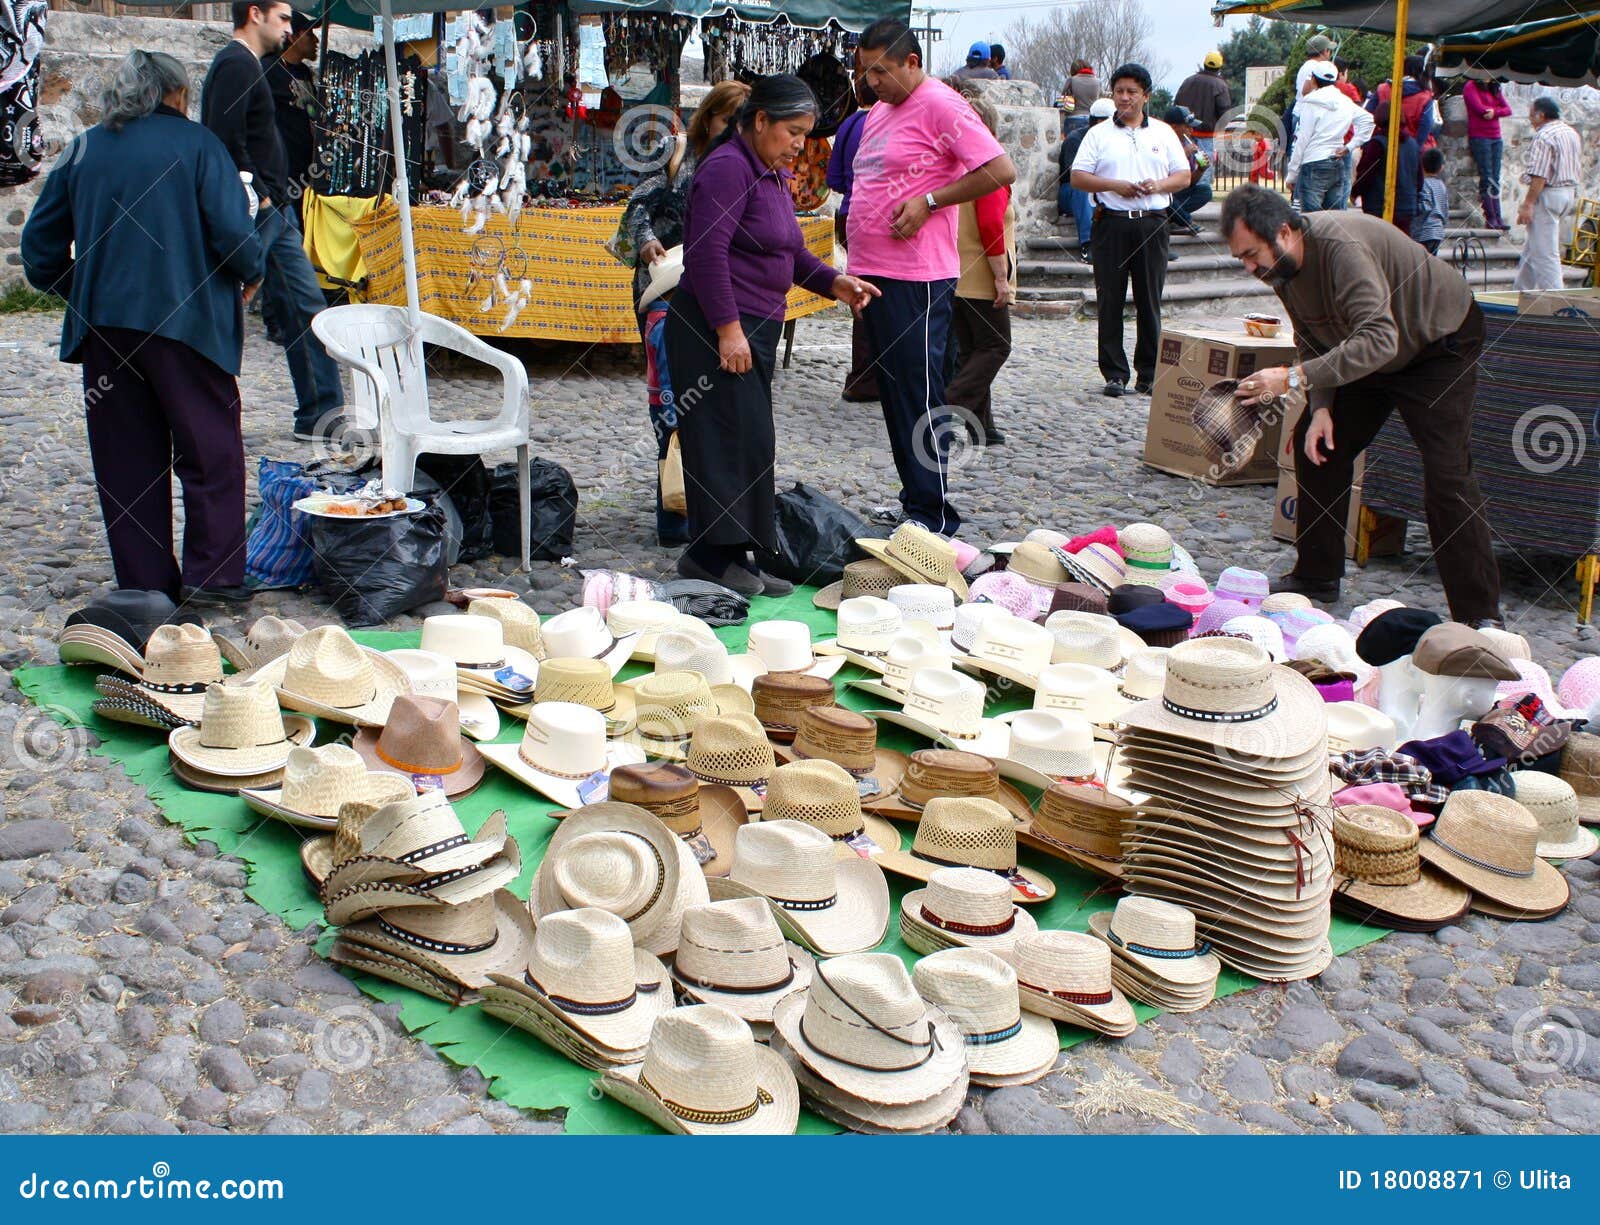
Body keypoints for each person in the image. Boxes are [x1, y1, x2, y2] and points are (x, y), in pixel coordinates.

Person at [21, 51, 263, 607]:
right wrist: (253, 272)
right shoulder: (199, 144)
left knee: (126, 459)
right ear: (177, 95)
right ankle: (213, 579)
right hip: (190, 324)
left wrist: (82, 288)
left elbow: (39, 252)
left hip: (107, 328)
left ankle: (146, 583)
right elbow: (233, 233)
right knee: (211, 454)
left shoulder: (84, 148)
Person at [1223, 186, 1501, 626]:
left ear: (1283, 231)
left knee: (1447, 474)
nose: (1250, 267)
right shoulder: (1282, 268)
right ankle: (1316, 577)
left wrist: (1291, 379)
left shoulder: (1341, 248)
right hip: (1368, 349)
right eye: (1242, 258)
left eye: (1252, 254)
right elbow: (1311, 339)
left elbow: (1380, 339)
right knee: (1317, 445)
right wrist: (1320, 408)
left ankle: (1480, 617)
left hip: (1437, 343)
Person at [666, 75, 879, 596]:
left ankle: (738, 551)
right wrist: (729, 330)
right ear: (760, 122)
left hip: (752, 326)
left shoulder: (770, 173)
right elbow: (707, 256)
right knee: (721, 441)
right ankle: (708, 558)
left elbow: (789, 252)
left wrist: (834, 281)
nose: (798, 145)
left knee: (751, 442)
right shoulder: (725, 169)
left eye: (805, 134)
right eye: (792, 132)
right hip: (712, 327)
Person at [850, 17, 1015, 534]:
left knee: (919, 393)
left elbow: (999, 170)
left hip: (917, 277)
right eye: (864, 71)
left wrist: (929, 201)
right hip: (874, 273)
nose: (871, 81)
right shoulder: (879, 110)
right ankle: (915, 500)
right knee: (895, 393)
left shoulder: (941, 103)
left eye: (880, 71)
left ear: (912, 63)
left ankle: (935, 512)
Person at [204, 1, 345, 445]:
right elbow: (223, 139)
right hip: (259, 209)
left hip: (275, 209)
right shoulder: (235, 65)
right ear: (255, 14)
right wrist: (261, 196)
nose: (290, 28)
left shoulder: (249, 64)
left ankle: (321, 414)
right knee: (222, 306)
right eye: (284, 18)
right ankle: (200, 413)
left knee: (304, 305)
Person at [622, 81, 750, 548]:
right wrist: (646, 241)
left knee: (716, 401)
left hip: (721, 292)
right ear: (709, 117)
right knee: (673, 400)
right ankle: (673, 514)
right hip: (667, 288)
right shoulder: (676, 154)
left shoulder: (748, 163)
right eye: (726, 121)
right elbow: (637, 205)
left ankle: (711, 507)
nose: (733, 131)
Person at [1069, 62, 1189, 399]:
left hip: (1152, 222)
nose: (1124, 98)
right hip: (1112, 222)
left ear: (1145, 96)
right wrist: (1113, 185)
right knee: (1110, 298)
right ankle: (1115, 372)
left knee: (1149, 300)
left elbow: (1182, 175)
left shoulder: (1163, 132)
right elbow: (1078, 176)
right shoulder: (1099, 134)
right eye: (1119, 91)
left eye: (1131, 92)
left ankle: (1149, 373)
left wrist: (1157, 185)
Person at [947, 84, 1015, 448]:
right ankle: (949, 404)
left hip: (956, 271)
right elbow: (991, 226)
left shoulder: (957, 168)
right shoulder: (989, 170)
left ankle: (981, 425)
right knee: (996, 346)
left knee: (973, 350)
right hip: (979, 276)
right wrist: (1001, 278)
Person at [825, 62, 879, 403]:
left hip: (849, 215)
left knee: (862, 294)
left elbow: (833, 179)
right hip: (880, 219)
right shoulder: (884, 123)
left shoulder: (847, 125)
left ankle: (862, 373)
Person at [1355, 56, 1433, 232]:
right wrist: (1412, 146)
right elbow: (1426, 127)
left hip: (1378, 195)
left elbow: (1366, 115)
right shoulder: (1425, 96)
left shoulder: (1383, 89)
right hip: (1408, 158)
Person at [1284, 59, 1373, 212]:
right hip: (1338, 159)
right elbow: (1368, 120)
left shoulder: (1310, 103)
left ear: (1313, 79)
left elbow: (1302, 140)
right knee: (1335, 219)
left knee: (1311, 221)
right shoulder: (1345, 101)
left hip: (1313, 161)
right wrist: (1349, 147)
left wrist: (1292, 174)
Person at [1514, 97, 1581, 292]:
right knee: (1533, 248)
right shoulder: (1571, 132)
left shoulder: (1544, 136)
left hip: (1549, 194)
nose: (1530, 120)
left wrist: (1528, 204)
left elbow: (1540, 176)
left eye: (1531, 116)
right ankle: (1521, 292)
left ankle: (1556, 302)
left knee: (1546, 254)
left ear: (1540, 115)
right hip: (1567, 193)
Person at [263, 11, 318, 204]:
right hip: (284, 172)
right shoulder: (267, 70)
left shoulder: (304, 72)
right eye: (309, 34)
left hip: (308, 169)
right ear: (293, 37)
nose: (316, 40)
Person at [1058, 97, 1113, 262]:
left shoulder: (1115, 141)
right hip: (1073, 192)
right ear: (1095, 121)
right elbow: (1075, 174)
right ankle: (1087, 242)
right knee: (1081, 187)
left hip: (1102, 190)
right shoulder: (1075, 139)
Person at [1172, 50, 1231, 179]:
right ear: (1219, 68)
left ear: (1204, 64)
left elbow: (1176, 106)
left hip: (1185, 136)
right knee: (1203, 170)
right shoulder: (1220, 85)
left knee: (1182, 168)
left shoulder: (1188, 81)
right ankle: (1199, 195)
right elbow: (1225, 114)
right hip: (1206, 138)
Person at [1463, 78, 1512, 230]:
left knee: (1495, 177)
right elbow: (1480, 109)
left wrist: (1495, 112)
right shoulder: (1471, 86)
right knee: (1487, 175)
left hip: (1495, 137)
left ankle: (1497, 216)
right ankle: (1490, 217)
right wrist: (1495, 110)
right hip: (1480, 136)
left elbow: (1508, 109)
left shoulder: (1494, 87)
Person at [1162, 106, 1212, 237]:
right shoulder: (1160, 143)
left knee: (1205, 191)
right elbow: (1160, 174)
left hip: (1176, 194)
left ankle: (1170, 220)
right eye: (1187, 126)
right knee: (1166, 196)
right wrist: (1183, 154)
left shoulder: (1186, 143)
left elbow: (1188, 182)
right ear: (1173, 127)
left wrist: (1201, 169)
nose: (1191, 130)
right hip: (1162, 192)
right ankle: (1187, 222)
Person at [1413, 147, 1449, 255]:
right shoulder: (1441, 185)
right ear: (1440, 168)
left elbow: (1426, 206)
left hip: (1424, 232)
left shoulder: (1424, 184)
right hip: (1438, 232)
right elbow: (1445, 208)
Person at [1065, 59, 1100, 131]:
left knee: (1072, 142)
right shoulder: (1098, 82)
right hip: (1091, 120)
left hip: (1073, 119)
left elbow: (1064, 100)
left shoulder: (1071, 80)